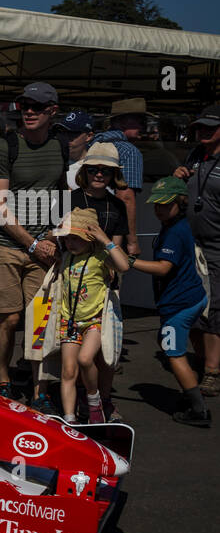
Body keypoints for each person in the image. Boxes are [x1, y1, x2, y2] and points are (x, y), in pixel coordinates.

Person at [0, 81, 64, 410]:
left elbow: (61, 195)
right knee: (9, 318)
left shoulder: (60, 145)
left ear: (52, 111)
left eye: (37, 107)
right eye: (24, 105)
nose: (28, 111)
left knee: (40, 318)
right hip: (4, 244)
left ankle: (39, 388)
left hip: (43, 245)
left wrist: (55, 235)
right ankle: (2, 378)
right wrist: (33, 245)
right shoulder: (5, 146)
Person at [123, 177, 210, 425]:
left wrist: (128, 261)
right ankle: (191, 389)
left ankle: (198, 409)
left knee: (174, 354)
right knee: (168, 342)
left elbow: (163, 268)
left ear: (180, 202)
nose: (159, 209)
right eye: (156, 205)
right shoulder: (176, 225)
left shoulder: (174, 232)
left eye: (166, 204)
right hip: (191, 298)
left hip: (179, 304)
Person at [43, 209, 128, 424]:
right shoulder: (66, 256)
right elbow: (49, 236)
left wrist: (104, 238)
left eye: (76, 238)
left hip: (94, 321)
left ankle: (94, 401)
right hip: (69, 322)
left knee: (85, 359)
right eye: (67, 238)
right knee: (68, 372)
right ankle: (69, 418)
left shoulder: (100, 257)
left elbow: (124, 265)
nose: (70, 243)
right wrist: (65, 227)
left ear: (90, 239)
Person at [68, 142, 131, 419]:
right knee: (70, 351)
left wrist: (108, 264)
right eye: (93, 169)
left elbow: (116, 248)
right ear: (85, 170)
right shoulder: (69, 200)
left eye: (105, 171)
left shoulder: (117, 204)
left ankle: (103, 400)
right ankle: (80, 398)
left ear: (113, 175)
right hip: (72, 281)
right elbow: (57, 238)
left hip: (104, 284)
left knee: (105, 352)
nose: (99, 175)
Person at [173, 104, 220, 397]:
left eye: (210, 127)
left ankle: (212, 372)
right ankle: (204, 361)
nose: (202, 131)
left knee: (213, 308)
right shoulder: (194, 156)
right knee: (191, 305)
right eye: (199, 127)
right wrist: (176, 179)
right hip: (191, 243)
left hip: (217, 245)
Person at [91, 97, 146, 256]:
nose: (143, 126)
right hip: (107, 232)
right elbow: (125, 197)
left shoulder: (91, 142)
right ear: (121, 122)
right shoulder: (129, 151)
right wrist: (132, 242)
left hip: (80, 226)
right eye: (139, 121)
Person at [55, 110, 96, 187]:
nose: (65, 137)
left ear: (89, 136)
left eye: (72, 133)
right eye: (62, 132)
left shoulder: (98, 170)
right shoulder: (51, 162)